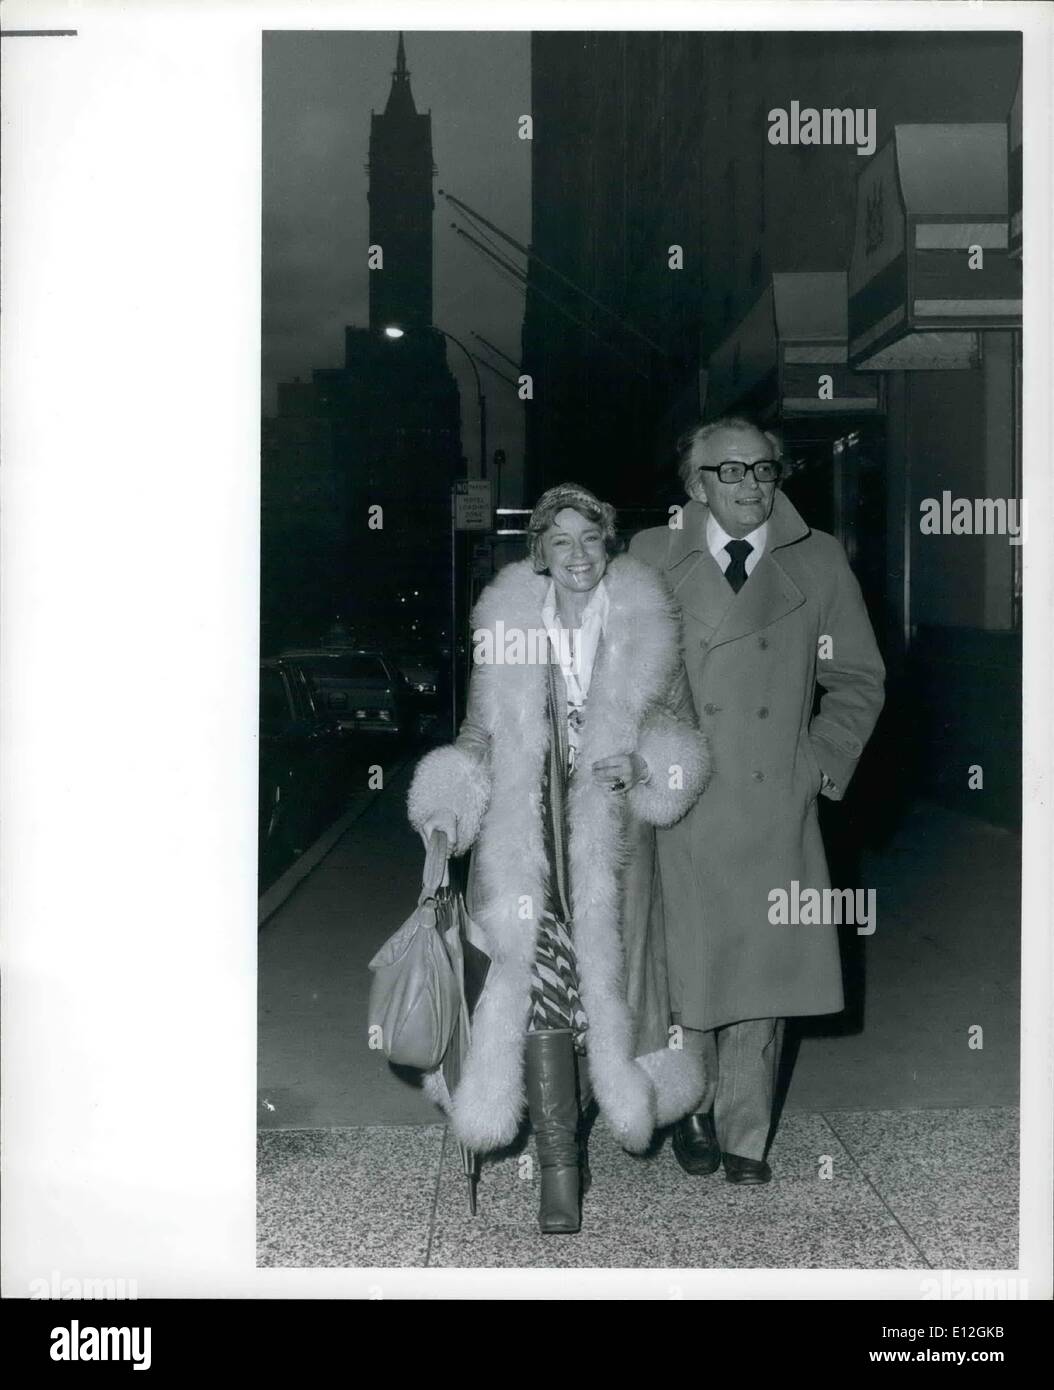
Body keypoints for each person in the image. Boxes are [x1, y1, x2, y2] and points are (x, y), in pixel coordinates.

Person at [407, 483, 711, 1233]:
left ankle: (605, 1117)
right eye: (561, 541)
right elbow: (479, 733)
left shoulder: (646, 626)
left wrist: (645, 769)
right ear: (539, 551)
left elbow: (679, 728)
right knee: (533, 988)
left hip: (610, 849)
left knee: (604, 992)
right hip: (523, 842)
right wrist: (447, 802)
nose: (578, 555)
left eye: (591, 540)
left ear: (608, 546)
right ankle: (559, 1172)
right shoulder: (509, 628)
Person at [630, 416, 885, 1184]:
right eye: (731, 471)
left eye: (766, 469)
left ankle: (745, 1132)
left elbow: (858, 679)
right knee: (692, 968)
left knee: (763, 971)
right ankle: (692, 1106)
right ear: (696, 485)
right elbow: (616, 670)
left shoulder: (820, 559)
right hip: (684, 796)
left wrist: (816, 763)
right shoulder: (649, 556)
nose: (752, 484)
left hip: (775, 795)